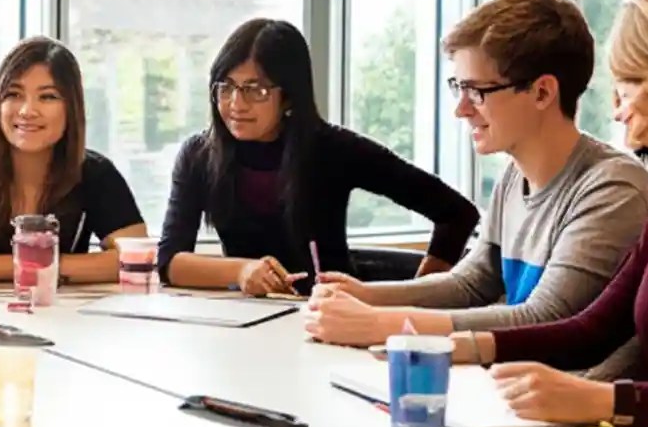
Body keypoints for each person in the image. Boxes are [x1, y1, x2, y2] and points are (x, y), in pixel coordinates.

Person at [446, 0, 648, 427]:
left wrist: (609, 401)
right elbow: (592, 329)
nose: (618, 110)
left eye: (630, 84)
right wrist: (456, 346)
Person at [305, 0, 648, 367]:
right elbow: (470, 283)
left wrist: (380, 323)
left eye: (478, 91)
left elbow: (545, 317)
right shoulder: (513, 175)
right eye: (459, 87)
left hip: (572, 402)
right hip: (513, 388)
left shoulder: (613, 187)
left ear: (542, 92)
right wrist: (365, 296)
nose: (461, 108)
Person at [158, 18, 480, 297]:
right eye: (225, 88)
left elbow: (457, 213)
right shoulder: (199, 154)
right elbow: (170, 262)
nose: (236, 104)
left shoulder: (333, 149)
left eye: (255, 90)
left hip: (331, 315)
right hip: (246, 318)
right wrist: (241, 271)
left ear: (288, 96)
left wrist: (419, 295)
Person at [0, 37, 147, 284]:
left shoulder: (96, 173)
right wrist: (32, 264)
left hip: (62, 317)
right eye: (14, 94)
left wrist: (46, 264)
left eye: (48, 97)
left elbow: (138, 258)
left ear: (71, 108)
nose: (27, 111)